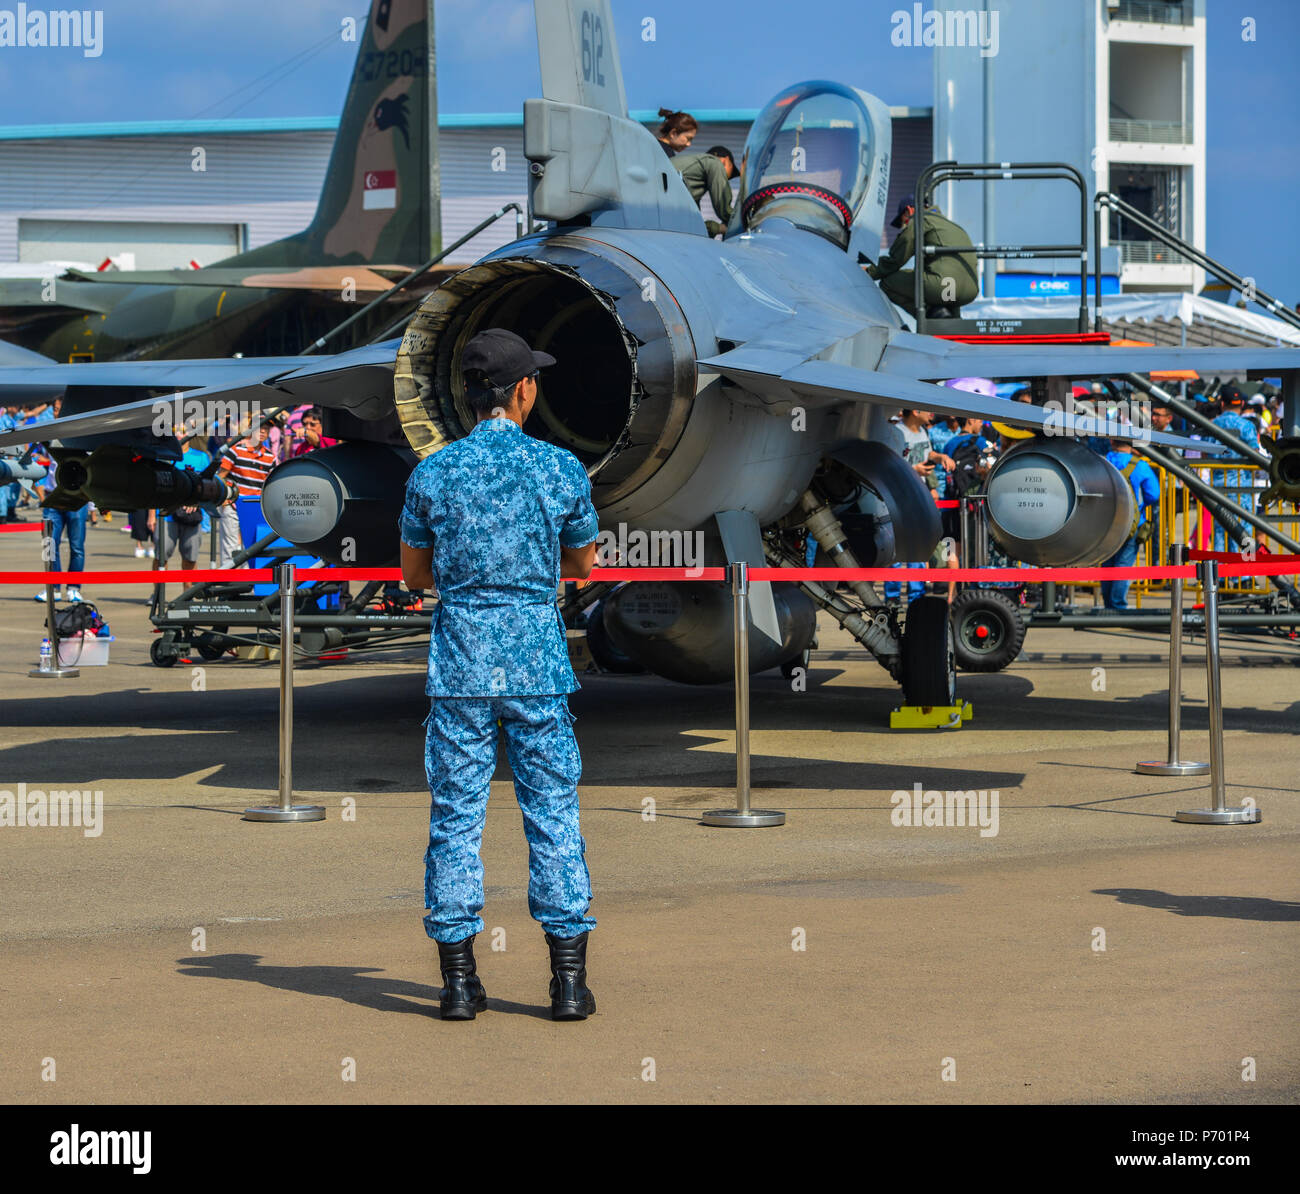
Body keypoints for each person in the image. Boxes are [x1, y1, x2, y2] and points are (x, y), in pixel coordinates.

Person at [399, 328, 600, 1023]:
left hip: (459, 662)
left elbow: (414, 574)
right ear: (523, 390)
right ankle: (568, 984)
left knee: (457, 818)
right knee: (551, 812)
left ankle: (458, 984)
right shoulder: (560, 469)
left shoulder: (434, 472)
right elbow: (581, 567)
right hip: (537, 663)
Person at [866, 194, 978, 319]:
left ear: (909, 210)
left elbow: (896, 259)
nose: (904, 225)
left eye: (903, 221)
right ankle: (951, 318)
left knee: (888, 283)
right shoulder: (950, 225)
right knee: (929, 277)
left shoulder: (920, 220)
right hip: (970, 290)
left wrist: (869, 272)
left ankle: (932, 314)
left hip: (944, 286)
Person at [1101, 434, 1160, 611]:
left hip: (1105, 523)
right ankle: (1118, 605)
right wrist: (1140, 505)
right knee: (1123, 565)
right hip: (1132, 522)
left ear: (1112, 442)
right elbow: (1153, 494)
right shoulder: (1140, 466)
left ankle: (1108, 604)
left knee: (1107, 563)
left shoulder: (1102, 462)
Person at [1210, 383, 1260, 551]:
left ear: (1222, 404)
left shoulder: (1211, 425)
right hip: (1242, 486)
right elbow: (1255, 452)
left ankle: (1219, 572)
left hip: (1219, 485)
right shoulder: (1247, 426)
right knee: (1244, 529)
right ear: (1242, 405)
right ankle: (1244, 573)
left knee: (1220, 529)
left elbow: (1204, 454)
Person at [160, 436, 211, 570]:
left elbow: (209, 486)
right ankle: (159, 590)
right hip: (167, 515)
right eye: (176, 430)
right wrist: (151, 517)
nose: (179, 435)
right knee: (161, 556)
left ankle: (189, 591)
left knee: (190, 558)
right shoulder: (163, 455)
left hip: (192, 515)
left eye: (183, 431)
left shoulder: (201, 457)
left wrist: (195, 502)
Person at [673, 146, 738, 237]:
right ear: (725, 160)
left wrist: (714, 228)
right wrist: (739, 222)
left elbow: (693, 223)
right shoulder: (714, 163)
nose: (727, 179)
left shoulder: (694, 181)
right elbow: (724, 208)